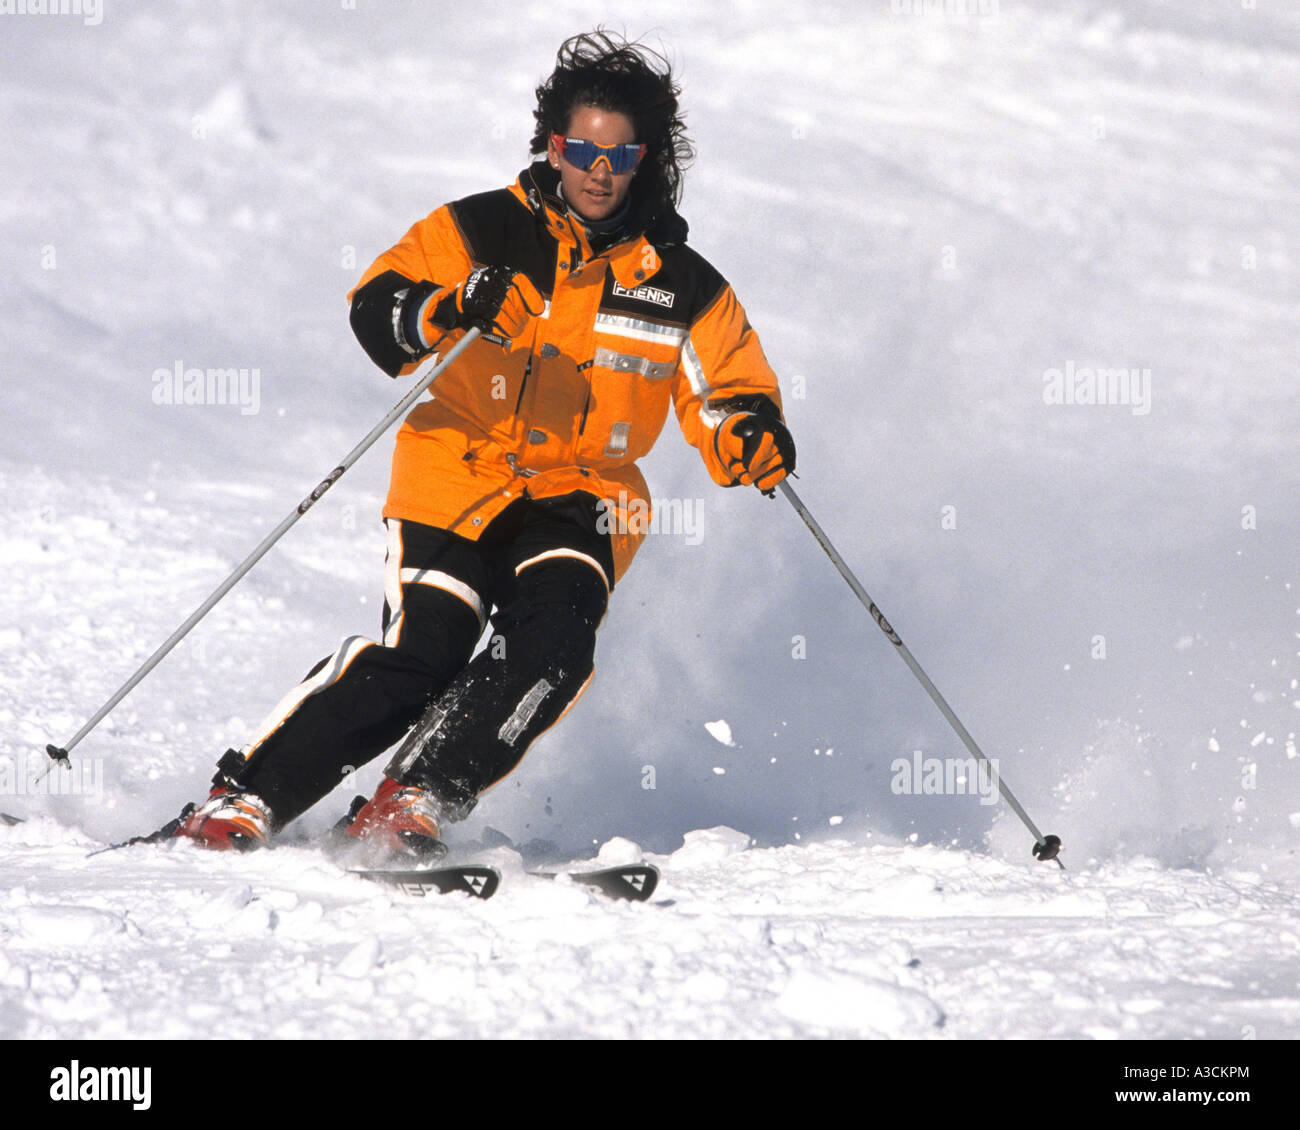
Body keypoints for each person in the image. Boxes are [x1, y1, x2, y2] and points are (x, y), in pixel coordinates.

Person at [172, 30, 796, 858]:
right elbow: (378, 310)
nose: (598, 170)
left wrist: (749, 435)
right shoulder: (482, 229)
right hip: (456, 471)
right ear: (553, 145)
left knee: (556, 639)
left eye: (619, 152)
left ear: (645, 158)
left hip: (584, 493)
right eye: (581, 148)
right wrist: (453, 304)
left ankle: (415, 794)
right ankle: (247, 798)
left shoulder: (680, 283)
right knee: (424, 651)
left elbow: (727, 391)